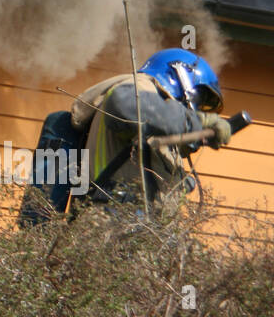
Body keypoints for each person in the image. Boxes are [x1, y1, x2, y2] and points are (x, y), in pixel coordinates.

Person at [70, 48, 232, 210]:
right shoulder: (138, 86)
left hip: (128, 223)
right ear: (181, 75)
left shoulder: (156, 114)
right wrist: (198, 121)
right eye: (201, 98)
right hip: (111, 220)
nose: (198, 109)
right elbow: (125, 104)